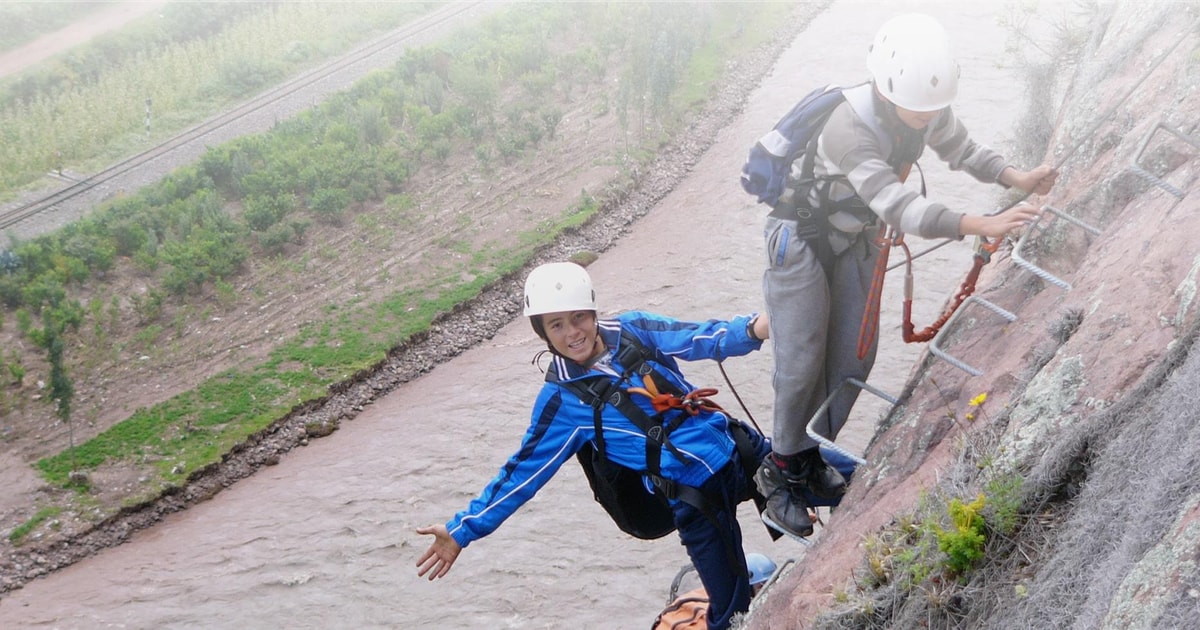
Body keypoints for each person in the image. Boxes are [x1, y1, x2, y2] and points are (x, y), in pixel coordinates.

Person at [754, 13, 1059, 540]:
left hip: (852, 236)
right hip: (798, 241)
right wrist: (978, 223)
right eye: (916, 110)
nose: (925, 119)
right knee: (803, 356)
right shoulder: (848, 126)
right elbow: (897, 205)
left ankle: (805, 456)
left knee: (854, 356)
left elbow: (962, 149)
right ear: (885, 86)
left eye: (931, 110)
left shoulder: (923, 105)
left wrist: (1017, 177)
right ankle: (777, 472)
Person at [416, 261, 773, 630]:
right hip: (695, 499)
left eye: (579, 317)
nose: (573, 332)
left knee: (822, 474)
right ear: (542, 333)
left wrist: (758, 327)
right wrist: (462, 530)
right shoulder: (561, 402)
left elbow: (701, 337)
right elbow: (521, 474)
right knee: (731, 615)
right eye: (557, 324)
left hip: (738, 450)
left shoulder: (634, 329)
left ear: (592, 313)